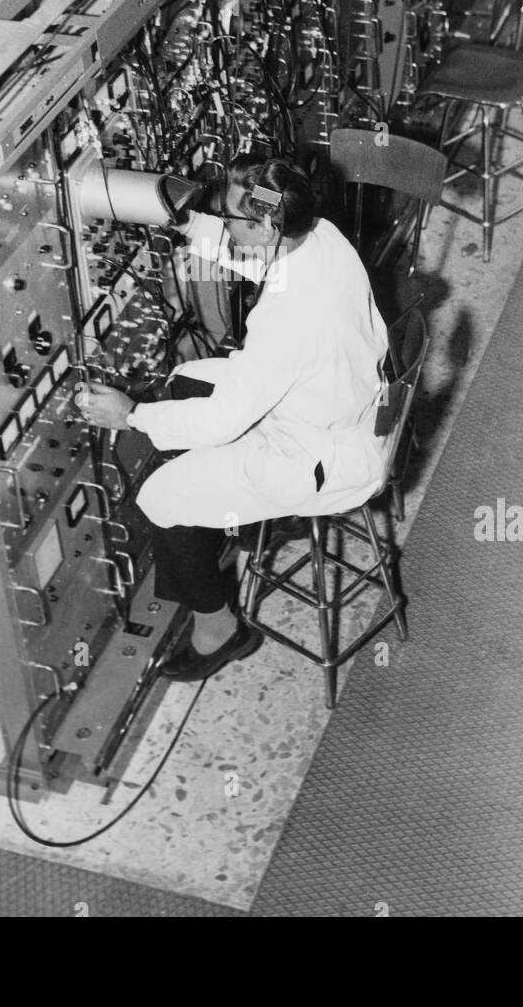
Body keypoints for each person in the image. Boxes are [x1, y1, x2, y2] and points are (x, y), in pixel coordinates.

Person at [75, 152, 389, 681]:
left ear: (266, 225)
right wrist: (188, 223)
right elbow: (261, 254)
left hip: (315, 454)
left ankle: (219, 631)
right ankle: (216, 525)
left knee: (158, 499)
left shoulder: (289, 319)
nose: (228, 228)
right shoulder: (319, 236)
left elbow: (223, 421)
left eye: (231, 221)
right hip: (341, 400)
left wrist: (130, 416)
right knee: (184, 381)